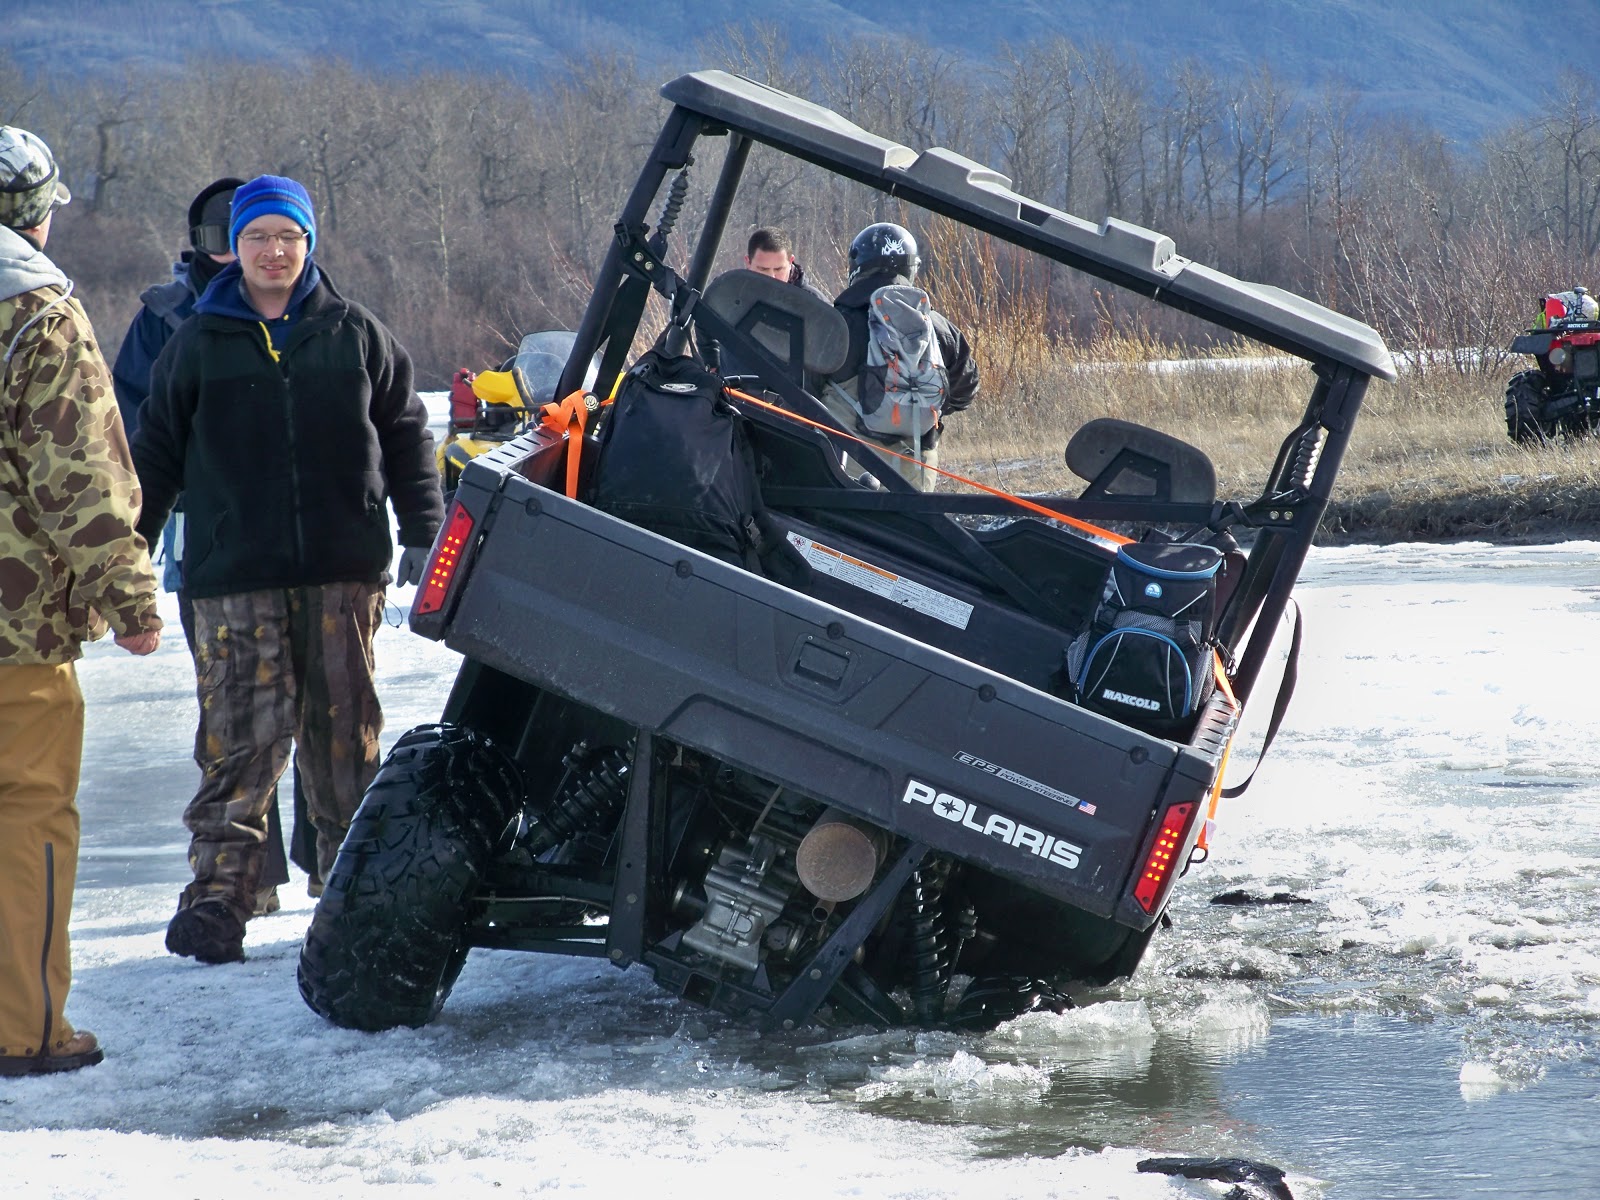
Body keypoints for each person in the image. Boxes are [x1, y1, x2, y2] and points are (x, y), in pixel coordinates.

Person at [132, 174, 443, 964]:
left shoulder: (355, 333)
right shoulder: (196, 343)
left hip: (343, 572)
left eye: (289, 238)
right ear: (235, 248)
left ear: (310, 244)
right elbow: (155, 457)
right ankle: (218, 901)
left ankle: (351, 896)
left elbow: (408, 431)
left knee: (346, 743)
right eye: (259, 238)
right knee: (241, 741)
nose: (275, 252)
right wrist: (128, 551)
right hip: (235, 578)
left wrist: (422, 527)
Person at [1, 125, 162, 1076]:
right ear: (36, 213)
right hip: (15, 636)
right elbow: (83, 481)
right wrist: (132, 599)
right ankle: (25, 1029)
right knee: (26, 819)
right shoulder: (37, 315)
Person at [111, 178, 296, 918]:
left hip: (307, 536)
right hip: (210, 540)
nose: (247, 251)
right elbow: (134, 423)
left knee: (323, 709)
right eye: (234, 237)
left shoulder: (312, 308)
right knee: (238, 708)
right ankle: (253, 874)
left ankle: (331, 868)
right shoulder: (163, 317)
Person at [826, 221, 978, 490]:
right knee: (908, 533)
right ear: (912, 268)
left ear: (857, 266)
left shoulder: (838, 324)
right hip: (916, 471)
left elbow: (804, 386)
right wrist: (920, 407)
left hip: (850, 470)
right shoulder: (939, 327)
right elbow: (966, 389)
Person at [744, 227, 828, 302]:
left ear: (790, 261)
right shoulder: (734, 293)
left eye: (778, 269)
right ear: (748, 262)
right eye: (763, 269)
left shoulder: (815, 304)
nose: (771, 277)